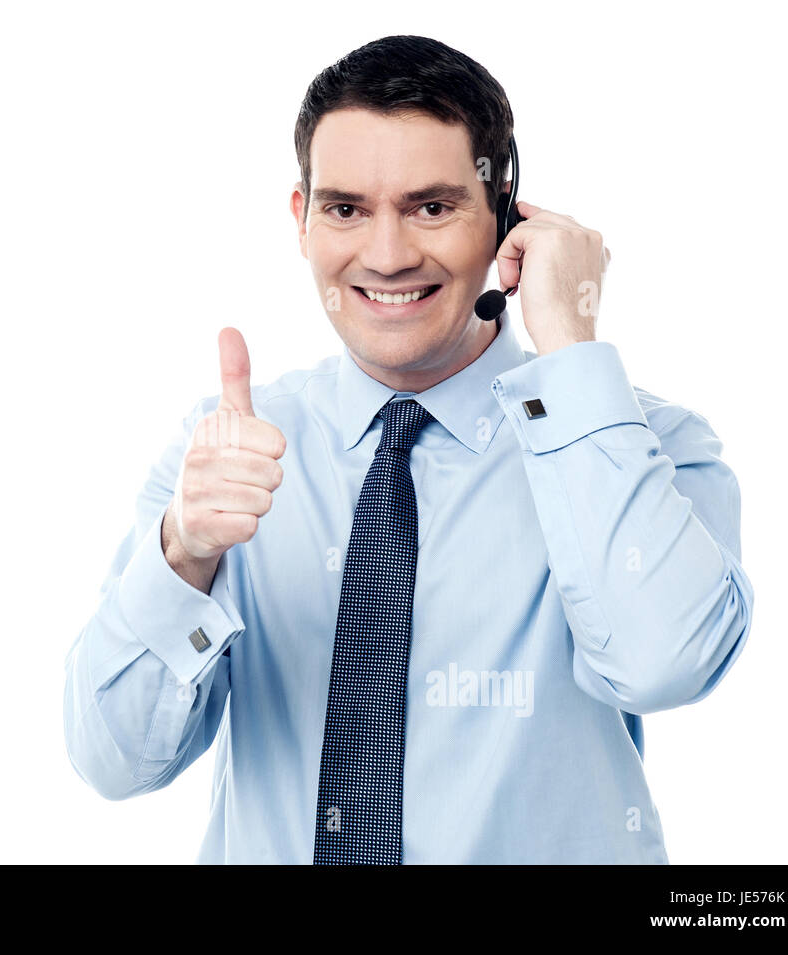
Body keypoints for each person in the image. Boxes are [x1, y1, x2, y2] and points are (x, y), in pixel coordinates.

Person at [62, 34, 753, 864]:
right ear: (302, 218)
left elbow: (667, 664)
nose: (386, 255)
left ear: (504, 211)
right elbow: (113, 761)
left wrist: (568, 339)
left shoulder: (645, 443)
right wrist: (184, 554)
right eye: (346, 208)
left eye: (432, 207)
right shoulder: (227, 453)